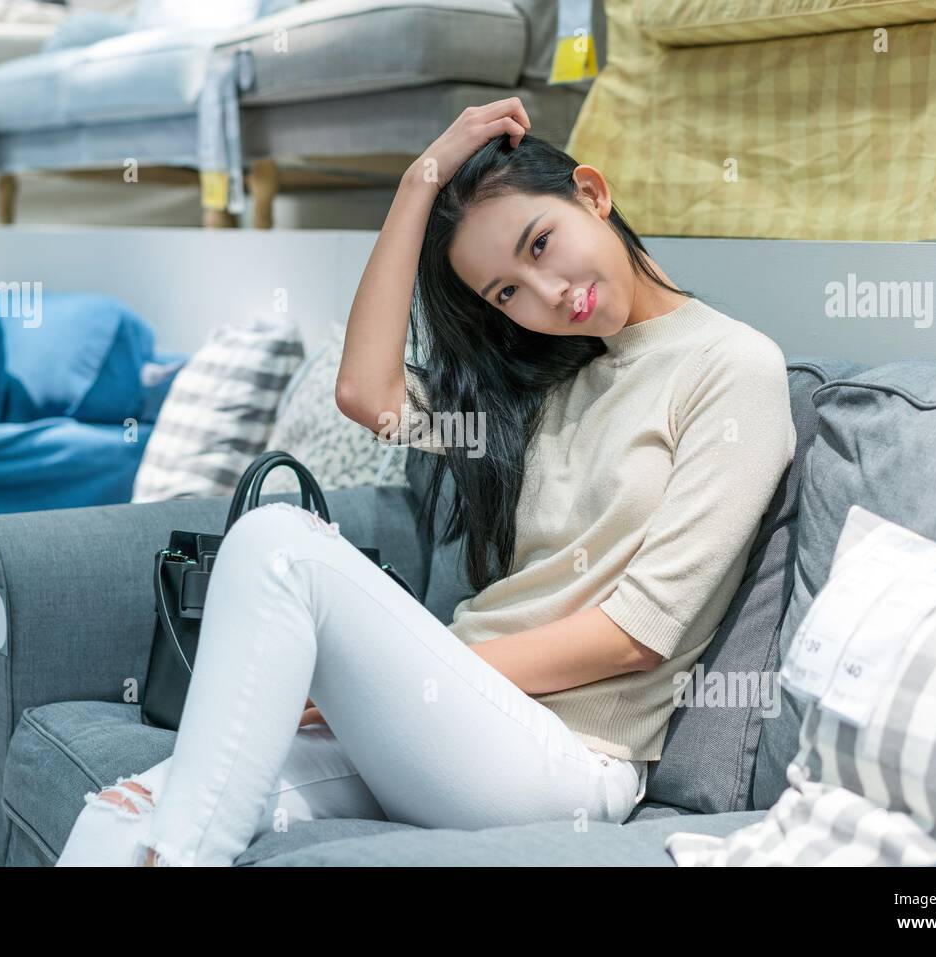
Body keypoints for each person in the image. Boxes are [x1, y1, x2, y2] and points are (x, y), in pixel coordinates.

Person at [55, 98, 796, 867]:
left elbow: (638, 636)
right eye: (507, 292)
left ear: (593, 194)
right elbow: (366, 395)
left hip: (566, 758)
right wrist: (418, 182)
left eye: (540, 244)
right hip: (451, 730)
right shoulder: (545, 377)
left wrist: (397, 676)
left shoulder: (730, 367)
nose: (545, 295)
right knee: (128, 811)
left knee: (280, 543)